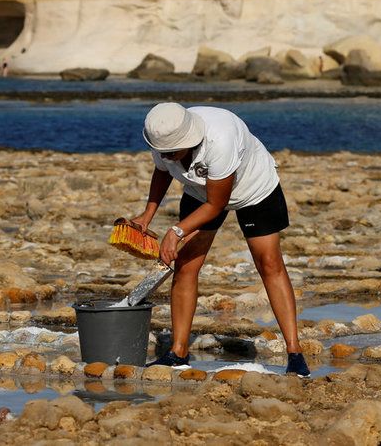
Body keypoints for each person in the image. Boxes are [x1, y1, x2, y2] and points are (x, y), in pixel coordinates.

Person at [132, 102, 310, 377]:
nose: (166, 157)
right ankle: (178, 354)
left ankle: (295, 354)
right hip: (199, 191)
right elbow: (163, 171)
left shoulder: (220, 139)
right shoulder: (163, 134)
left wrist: (175, 231)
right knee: (186, 265)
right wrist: (147, 214)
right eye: (162, 152)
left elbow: (217, 204)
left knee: (269, 264)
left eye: (171, 153)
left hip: (254, 190)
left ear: (188, 139)